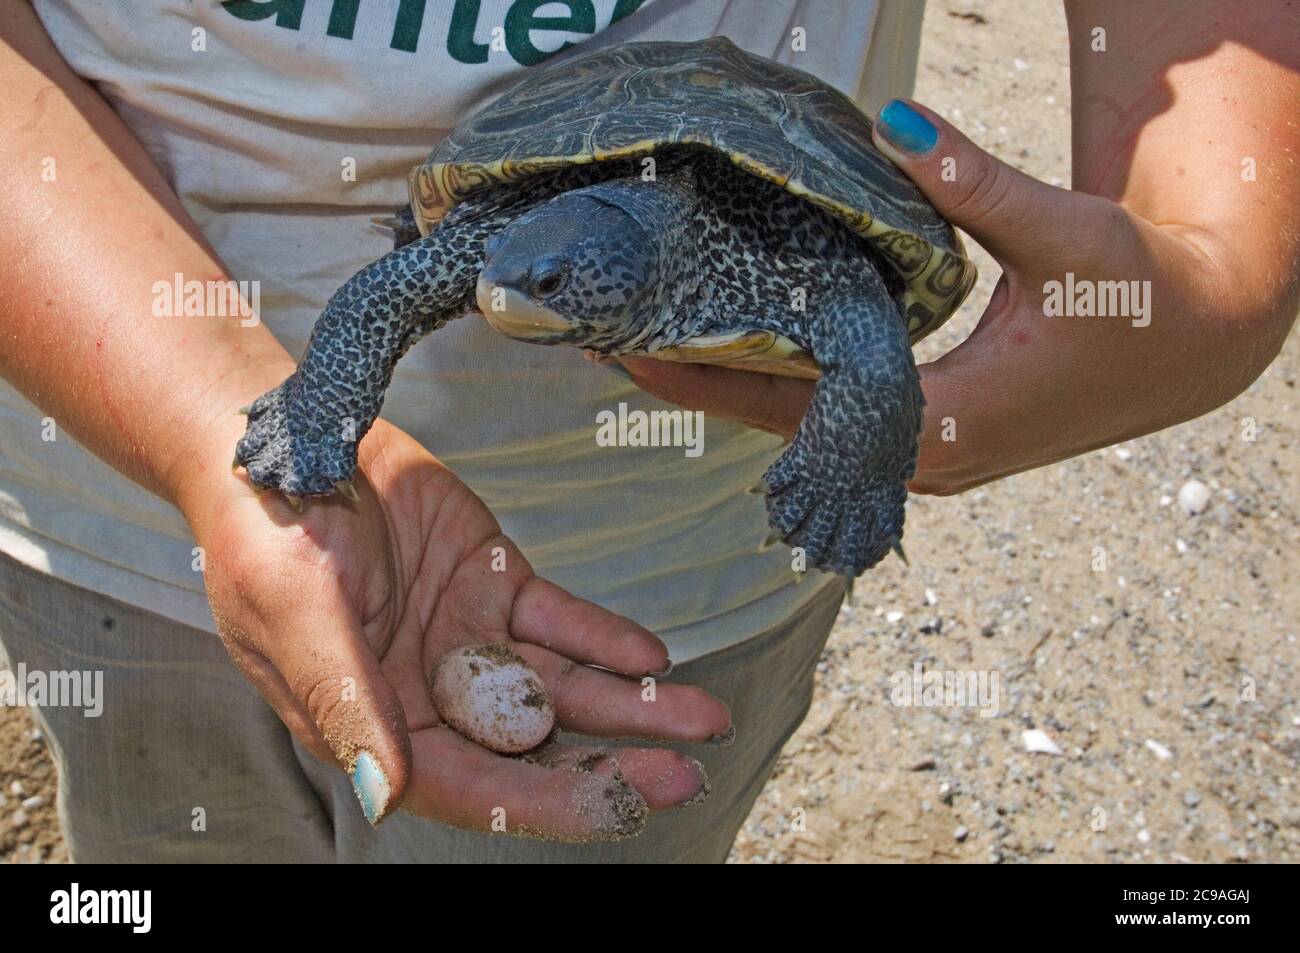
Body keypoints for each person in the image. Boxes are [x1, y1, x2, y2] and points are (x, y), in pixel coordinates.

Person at [0, 0, 1295, 862]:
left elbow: (863, 313)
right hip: (121, 513)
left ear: (619, 283)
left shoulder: (781, 251)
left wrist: (1192, 297)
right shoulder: (515, 241)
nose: (504, 293)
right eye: (507, 273)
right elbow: (415, 282)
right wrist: (283, 419)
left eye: (546, 290)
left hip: (675, 585)